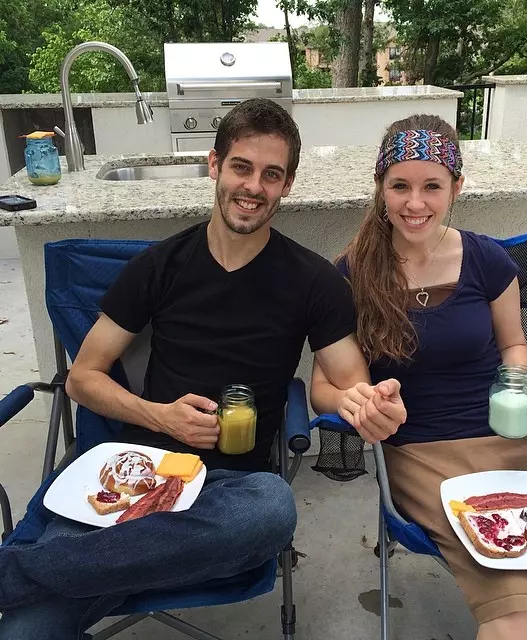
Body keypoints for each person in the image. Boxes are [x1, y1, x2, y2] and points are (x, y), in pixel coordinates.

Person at [0, 98, 407, 640]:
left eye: (271, 174)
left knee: (271, 509)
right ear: (214, 165)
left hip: (229, 493)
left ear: (287, 185)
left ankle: (20, 572)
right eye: (241, 166)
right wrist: (160, 417)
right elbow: (83, 378)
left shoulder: (313, 282)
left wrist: (370, 405)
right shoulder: (160, 265)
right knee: (25, 632)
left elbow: (349, 382)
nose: (253, 186)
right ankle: (66, 571)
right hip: (135, 479)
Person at [311, 115, 527, 640]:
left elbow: (513, 344)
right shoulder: (352, 273)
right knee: (515, 614)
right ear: (380, 188)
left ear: (457, 188)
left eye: (433, 186)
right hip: (425, 453)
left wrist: (524, 377)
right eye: (400, 185)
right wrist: (357, 402)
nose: (415, 203)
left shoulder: (487, 260)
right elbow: (323, 385)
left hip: (519, 441)